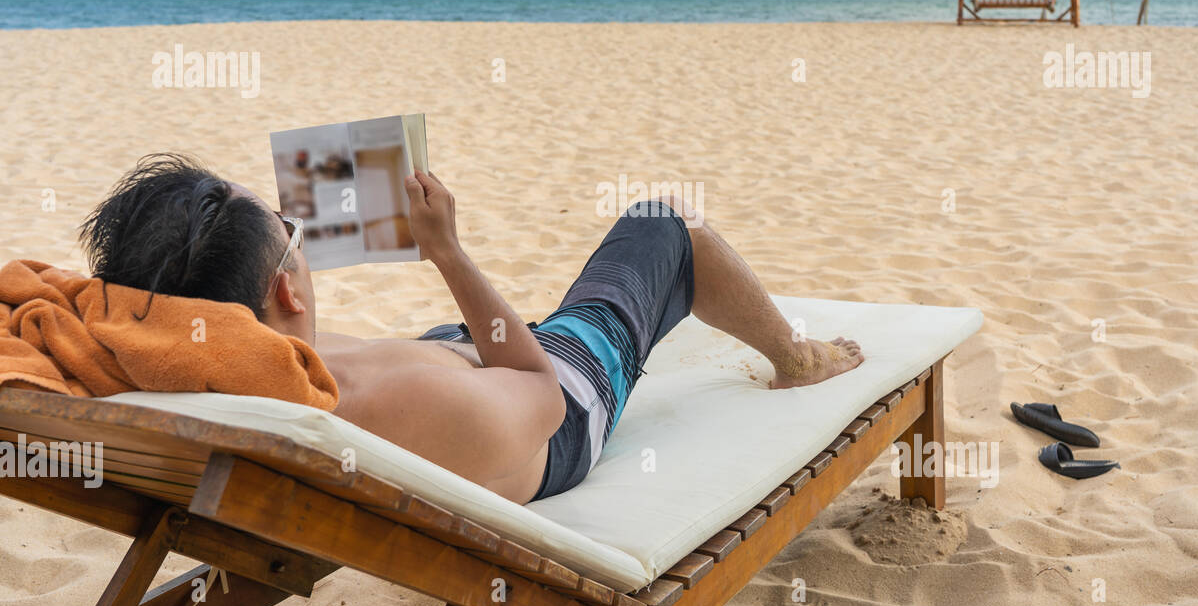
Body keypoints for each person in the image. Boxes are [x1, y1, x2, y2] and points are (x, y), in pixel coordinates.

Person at [79, 155, 863, 504]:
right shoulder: (397, 400)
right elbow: (541, 391)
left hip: (449, 377)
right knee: (664, 223)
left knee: (469, 328)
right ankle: (796, 356)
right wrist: (447, 251)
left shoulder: (204, 366)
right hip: (557, 407)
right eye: (292, 231)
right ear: (287, 287)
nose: (302, 233)